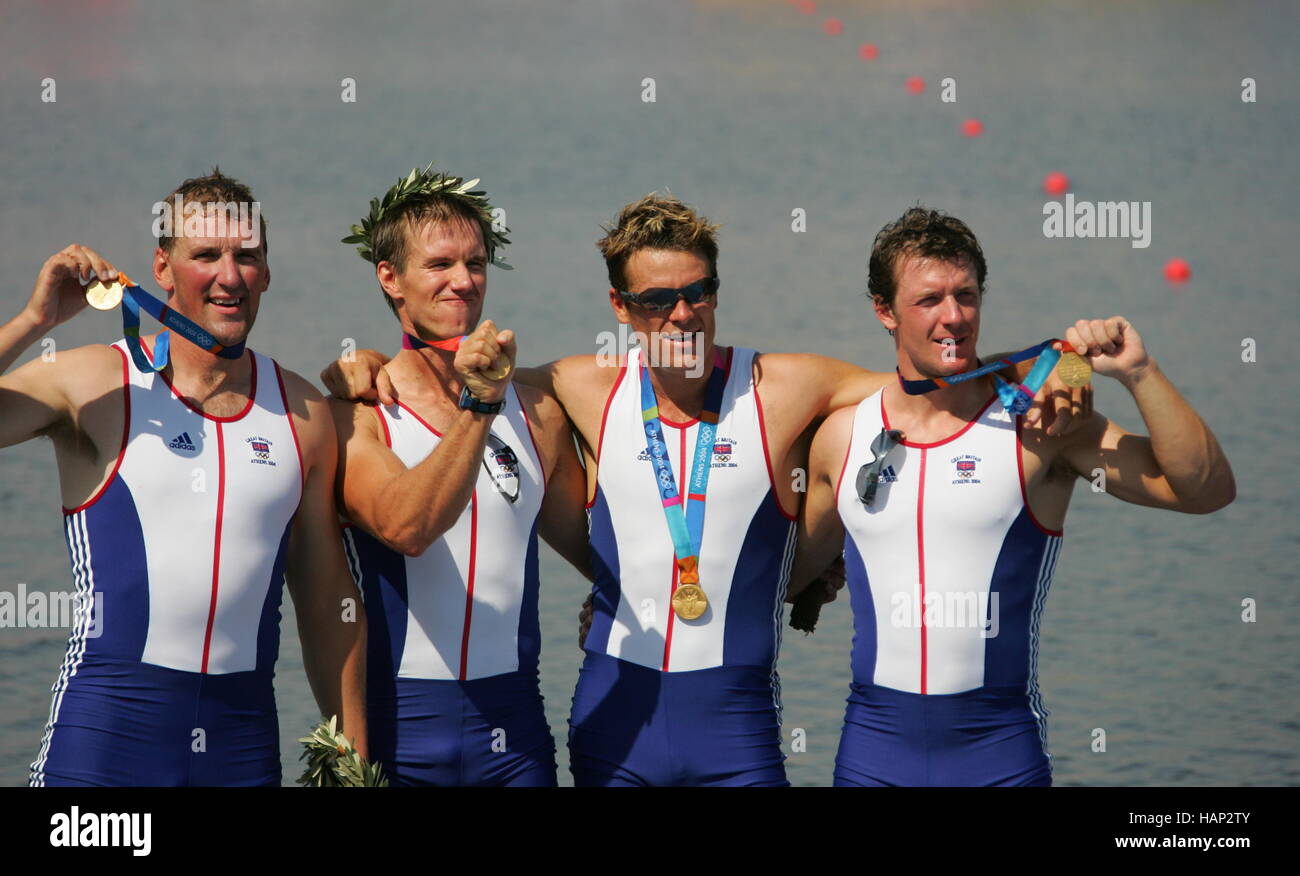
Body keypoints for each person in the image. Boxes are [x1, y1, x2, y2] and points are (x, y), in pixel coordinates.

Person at [325, 193, 1090, 786]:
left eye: (698, 291)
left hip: (739, 728)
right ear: (621, 310)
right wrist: (361, 366)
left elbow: (929, 379)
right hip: (615, 717)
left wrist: (1057, 365)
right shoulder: (578, 388)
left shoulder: (788, 385)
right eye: (656, 301)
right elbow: (446, 374)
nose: (681, 313)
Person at [792, 206, 1236, 786]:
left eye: (967, 295)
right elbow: (786, 574)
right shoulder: (841, 438)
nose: (953, 317)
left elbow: (1205, 490)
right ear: (884, 311)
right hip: (873, 757)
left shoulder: (1043, 427)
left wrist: (1138, 372)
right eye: (929, 299)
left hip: (998, 758)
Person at [0, 169, 366, 786]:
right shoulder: (93, 385)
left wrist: (354, 763)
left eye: (246, 256)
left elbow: (328, 603)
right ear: (163, 268)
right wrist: (34, 321)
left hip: (242, 752)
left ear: (268, 272)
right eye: (206, 255)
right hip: (104, 746)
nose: (229, 275)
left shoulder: (303, 416)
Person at [330, 166, 591, 786]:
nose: (463, 281)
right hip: (400, 737)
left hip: (517, 736)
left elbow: (600, 550)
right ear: (389, 277)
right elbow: (406, 526)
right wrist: (478, 405)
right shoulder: (360, 416)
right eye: (440, 264)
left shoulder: (539, 414)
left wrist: (791, 566)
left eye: (476, 263)